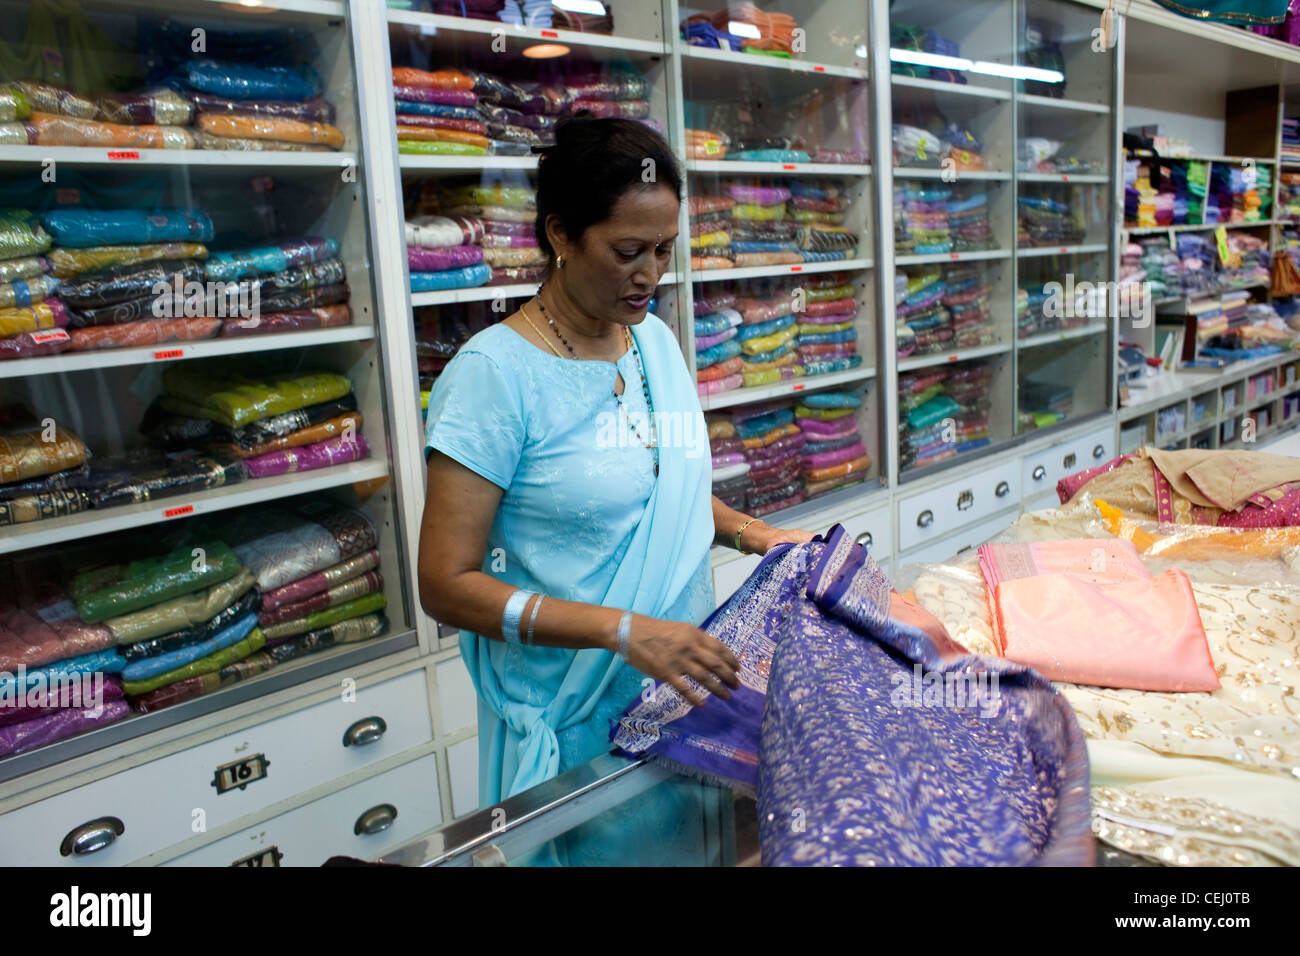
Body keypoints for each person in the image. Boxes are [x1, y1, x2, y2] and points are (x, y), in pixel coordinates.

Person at [418, 115, 814, 860]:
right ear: (562, 235)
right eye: (627, 251)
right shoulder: (492, 378)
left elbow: (663, 491)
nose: (650, 274)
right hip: (577, 726)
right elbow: (444, 584)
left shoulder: (653, 344)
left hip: (681, 706)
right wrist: (622, 632)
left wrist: (752, 533)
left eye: (665, 250)